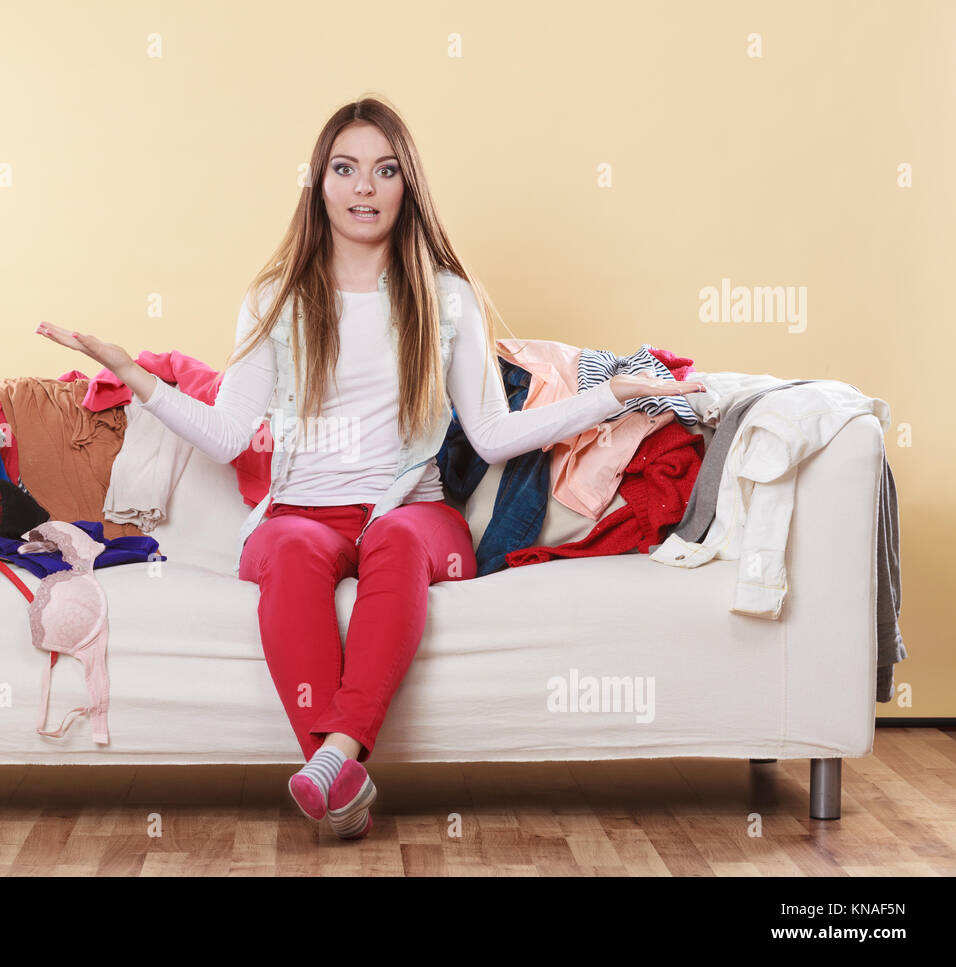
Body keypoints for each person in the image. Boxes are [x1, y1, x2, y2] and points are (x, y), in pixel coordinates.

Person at [35, 95, 706, 840]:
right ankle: (340, 779)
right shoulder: (276, 298)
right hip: (300, 516)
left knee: (395, 538)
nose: (364, 187)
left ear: (406, 185)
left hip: (415, 517)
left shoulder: (447, 297)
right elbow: (227, 437)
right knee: (290, 545)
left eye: (385, 170)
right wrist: (137, 377)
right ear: (318, 183)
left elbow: (491, 436)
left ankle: (336, 758)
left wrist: (609, 396)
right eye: (345, 169)